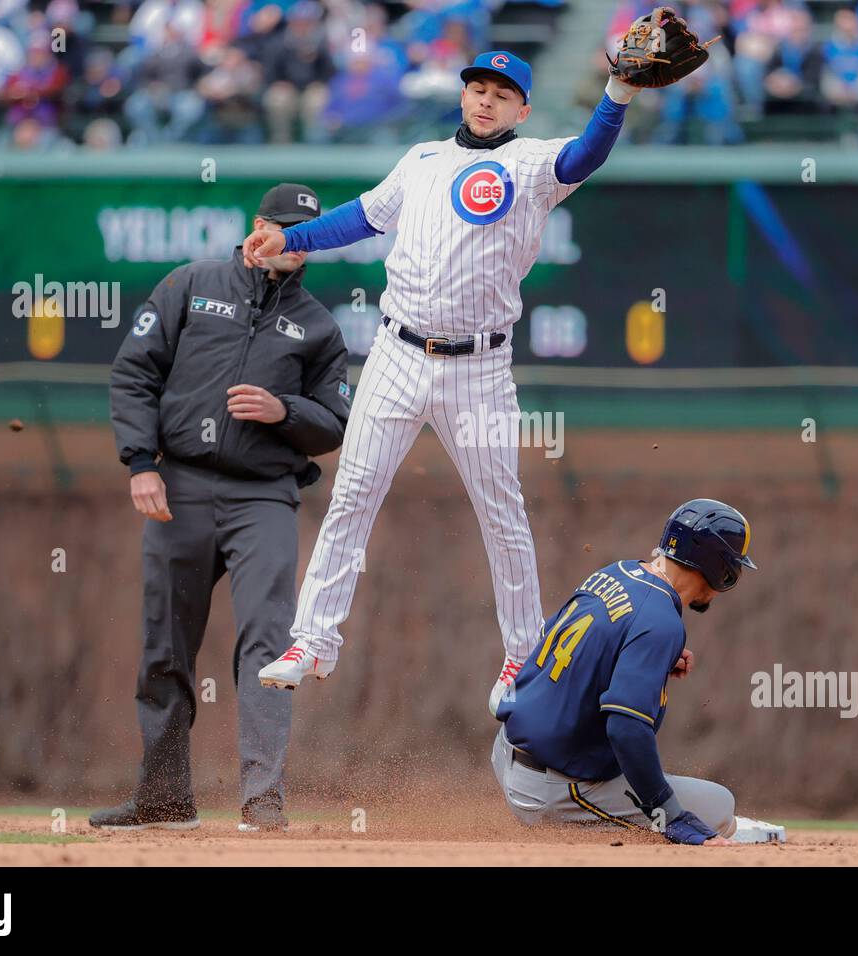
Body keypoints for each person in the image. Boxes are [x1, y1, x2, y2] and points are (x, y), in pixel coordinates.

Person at [245, 44, 661, 716]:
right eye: (477, 87)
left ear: (523, 107)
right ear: (463, 96)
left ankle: (524, 658)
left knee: (503, 514)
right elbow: (360, 218)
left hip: (480, 366)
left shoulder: (529, 165)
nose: (486, 98)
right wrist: (291, 242)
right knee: (352, 493)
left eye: (501, 91)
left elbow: (586, 155)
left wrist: (617, 93)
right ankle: (313, 640)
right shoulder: (423, 161)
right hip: (397, 351)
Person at [93, 184, 351, 831]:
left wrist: (283, 411)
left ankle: (262, 800)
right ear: (256, 226)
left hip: (262, 494)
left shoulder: (318, 325)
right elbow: (134, 374)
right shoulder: (190, 283)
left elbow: (336, 421)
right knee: (165, 646)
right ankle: (163, 800)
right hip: (176, 486)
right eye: (281, 228)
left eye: (303, 233)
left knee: (269, 643)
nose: (290, 241)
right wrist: (140, 463)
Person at [491, 499, 780, 845]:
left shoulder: (614, 573)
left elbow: (557, 645)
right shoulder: (660, 621)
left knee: (685, 794)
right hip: (550, 792)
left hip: (506, 752)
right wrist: (670, 817)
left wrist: (644, 657)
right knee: (719, 806)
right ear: (721, 569)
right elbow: (626, 729)